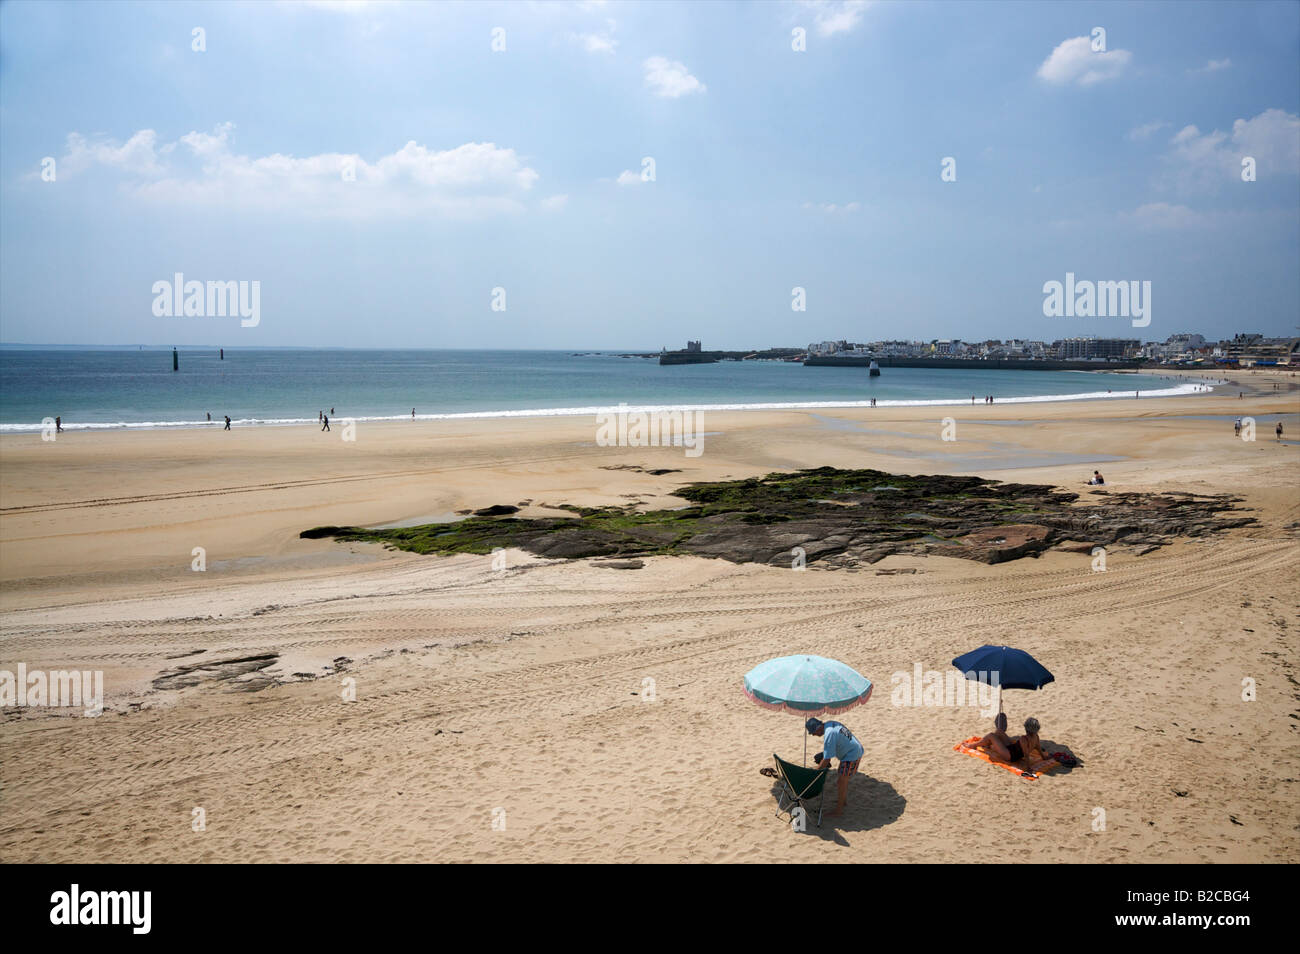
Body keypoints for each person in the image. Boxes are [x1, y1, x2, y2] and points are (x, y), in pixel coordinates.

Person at [805, 717, 863, 817]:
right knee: (842, 779)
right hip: (853, 749)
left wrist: (815, 773)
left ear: (818, 728)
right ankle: (843, 801)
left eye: (813, 732)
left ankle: (838, 811)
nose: (813, 735)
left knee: (841, 781)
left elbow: (827, 759)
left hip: (851, 755)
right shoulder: (831, 723)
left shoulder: (829, 734)